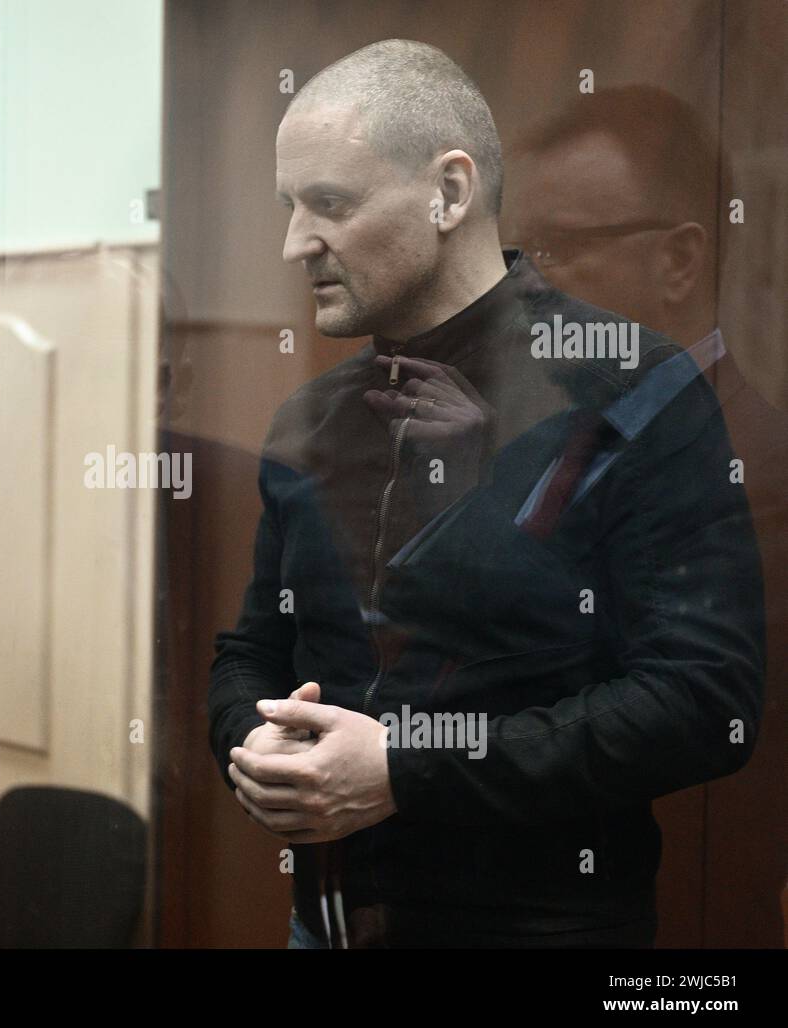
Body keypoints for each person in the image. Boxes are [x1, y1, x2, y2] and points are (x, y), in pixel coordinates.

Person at [209, 39, 764, 948]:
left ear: (450, 194)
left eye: (331, 204)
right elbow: (251, 651)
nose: (294, 242)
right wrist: (251, 744)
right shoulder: (311, 421)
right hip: (327, 927)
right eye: (289, 206)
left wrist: (405, 769)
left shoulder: (633, 392)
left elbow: (706, 702)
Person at [505, 85, 788, 946]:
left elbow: (694, 734)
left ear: (679, 262)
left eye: (560, 248)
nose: (526, 286)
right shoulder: (554, 439)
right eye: (519, 252)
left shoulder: (757, 465)